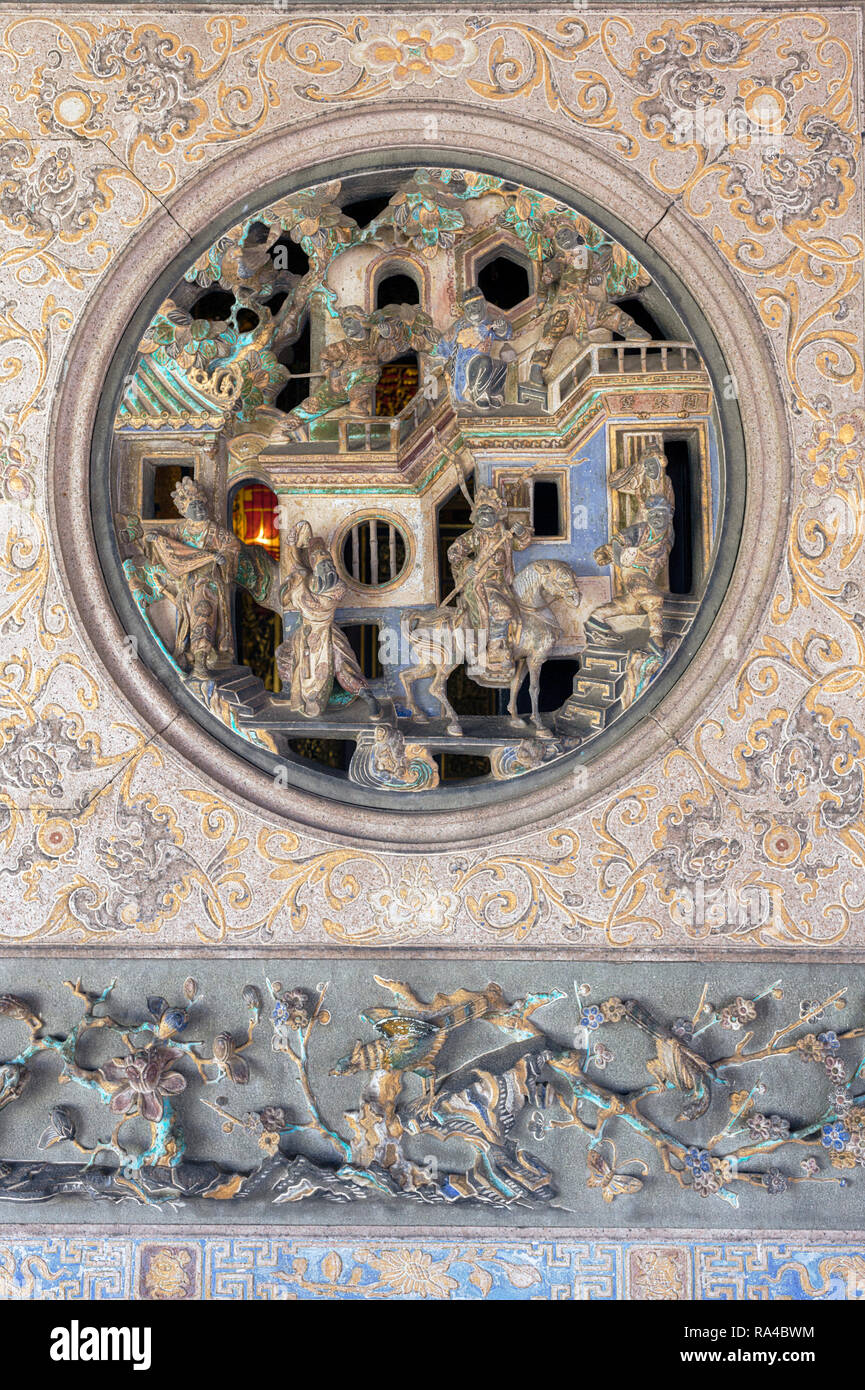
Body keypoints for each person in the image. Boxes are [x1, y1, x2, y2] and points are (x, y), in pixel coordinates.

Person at [276, 522, 381, 720]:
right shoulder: (318, 583)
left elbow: (294, 576)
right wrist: (293, 546)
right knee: (289, 658)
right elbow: (295, 567)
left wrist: (295, 553)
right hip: (308, 633)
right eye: (320, 564)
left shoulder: (328, 588)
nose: (325, 567)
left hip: (325, 633)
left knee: (344, 667)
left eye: (326, 564)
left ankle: (369, 699)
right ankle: (301, 695)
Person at [142, 477, 241, 677]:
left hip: (208, 583)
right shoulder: (180, 530)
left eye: (200, 505)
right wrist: (152, 538)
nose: (198, 509)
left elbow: (232, 546)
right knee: (186, 617)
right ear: (183, 511)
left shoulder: (214, 531)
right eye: (193, 506)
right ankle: (187, 656)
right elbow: (162, 537)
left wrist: (224, 559)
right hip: (185, 583)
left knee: (203, 613)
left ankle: (201, 661)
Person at [446, 483, 533, 679]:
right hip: (481, 583)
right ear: (476, 515)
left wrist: (520, 532)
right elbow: (453, 553)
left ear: (497, 513)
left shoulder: (505, 534)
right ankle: (494, 649)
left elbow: (522, 543)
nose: (485, 513)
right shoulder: (474, 536)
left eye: (489, 509)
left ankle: (506, 644)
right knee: (502, 610)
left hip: (502, 583)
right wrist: (468, 565)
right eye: (481, 510)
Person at [585, 494, 674, 656]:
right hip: (633, 572)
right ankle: (656, 638)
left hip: (648, 575)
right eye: (653, 514)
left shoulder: (668, 534)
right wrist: (623, 560)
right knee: (654, 599)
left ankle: (597, 617)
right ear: (647, 515)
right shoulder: (640, 530)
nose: (657, 518)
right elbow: (617, 542)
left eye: (661, 514)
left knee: (633, 606)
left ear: (669, 515)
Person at [432, 287, 516, 410]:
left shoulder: (489, 320)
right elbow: (443, 346)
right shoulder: (460, 325)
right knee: (484, 361)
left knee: (501, 365)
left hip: (483, 361)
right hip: (465, 365)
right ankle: (480, 395)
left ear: (483, 304)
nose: (473, 310)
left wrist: (501, 327)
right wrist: (437, 353)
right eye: (469, 307)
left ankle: (494, 393)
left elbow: (506, 334)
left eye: (476, 305)